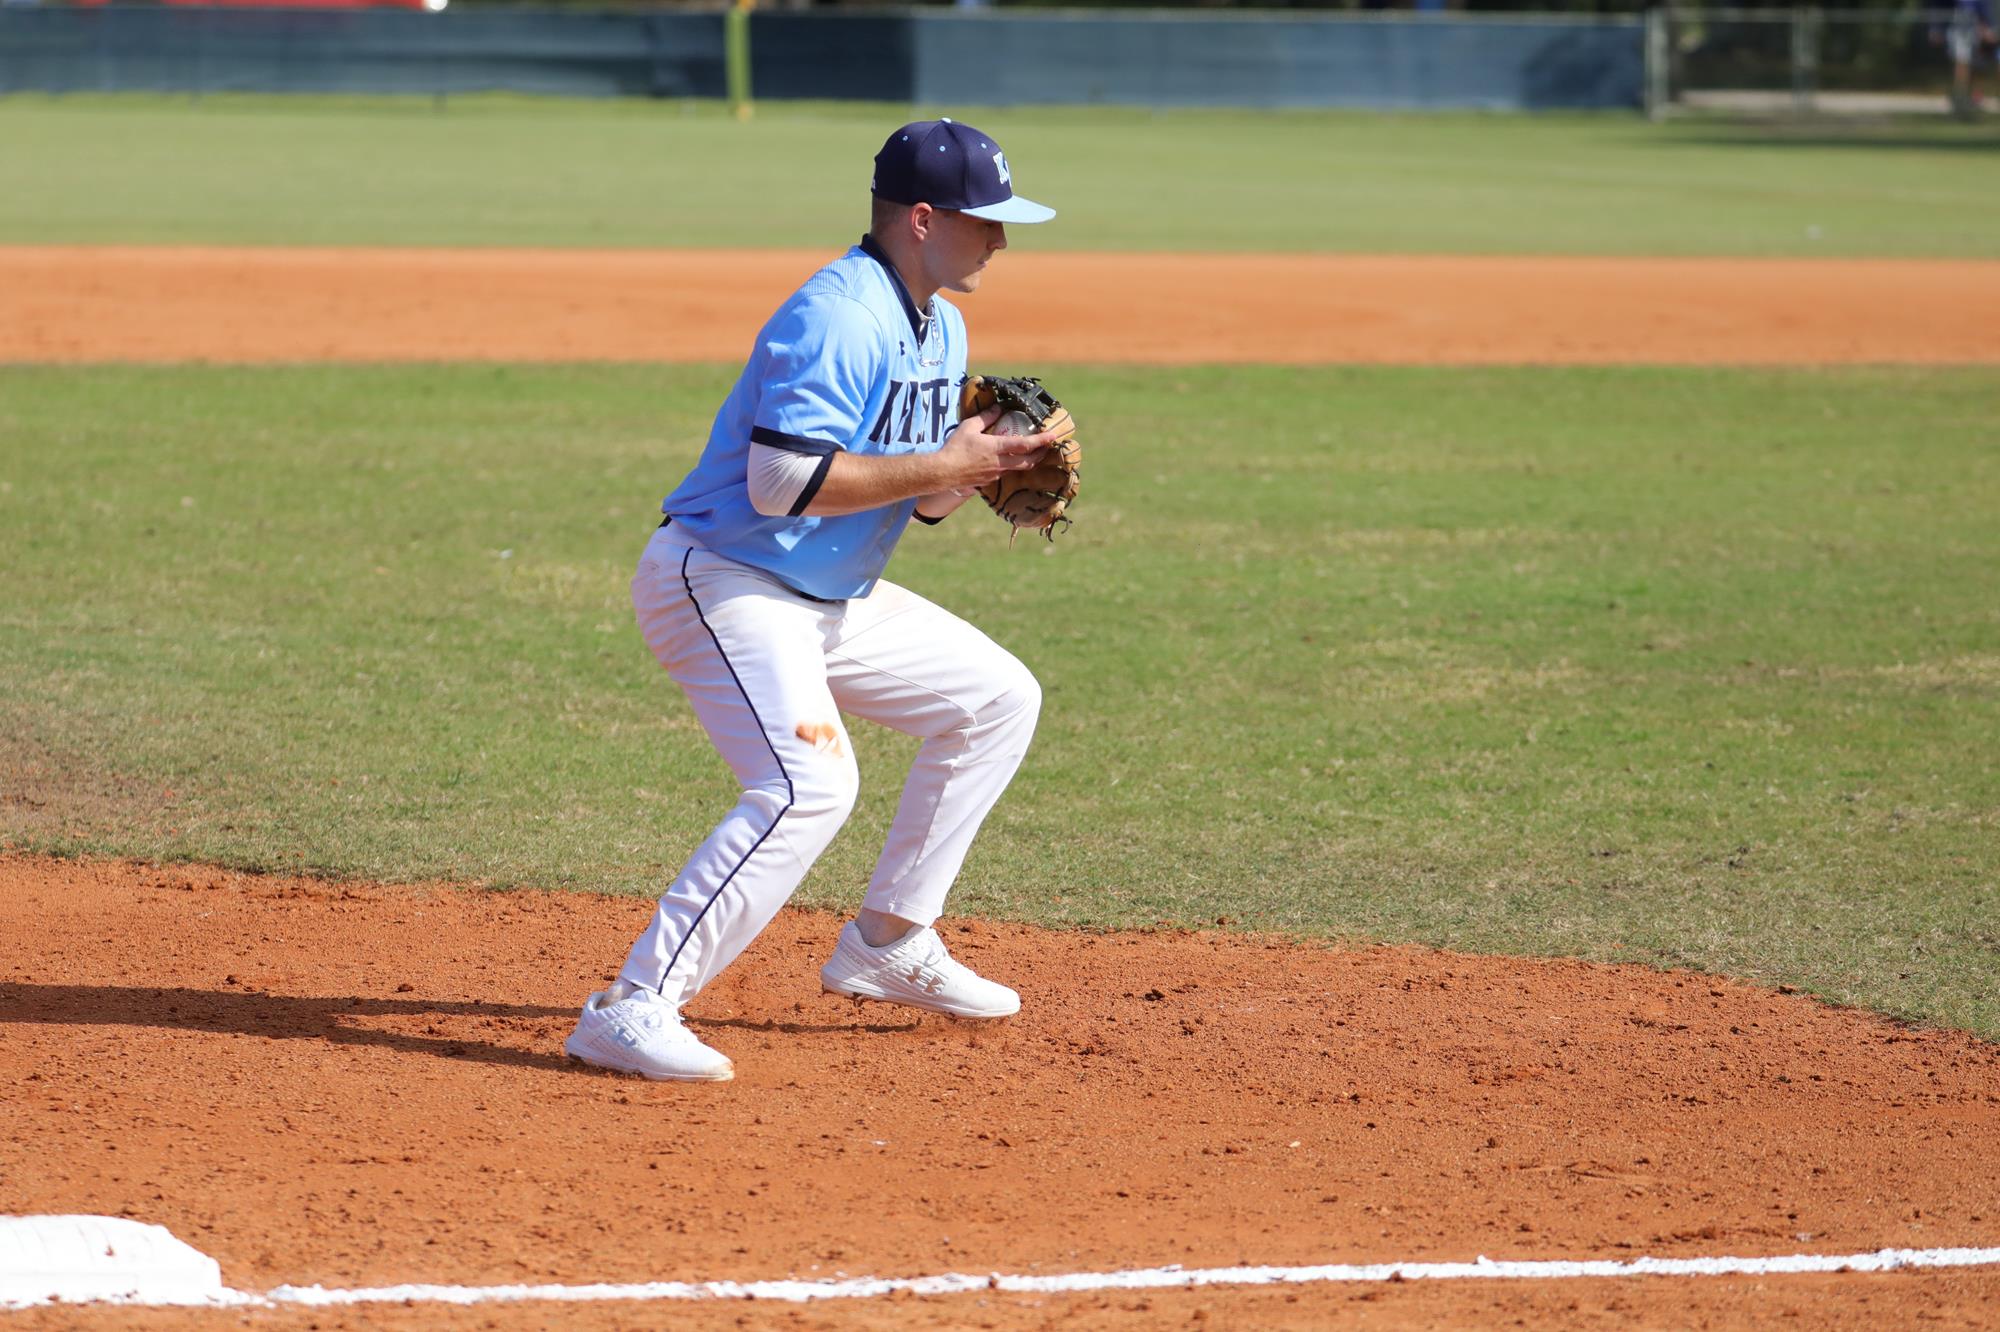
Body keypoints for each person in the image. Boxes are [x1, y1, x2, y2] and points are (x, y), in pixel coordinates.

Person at [563, 119, 1064, 1082]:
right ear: (922, 218)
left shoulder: (941, 319)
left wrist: (987, 462)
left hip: (826, 596)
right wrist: (946, 459)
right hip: (724, 580)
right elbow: (779, 483)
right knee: (808, 785)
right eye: (983, 219)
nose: (999, 238)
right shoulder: (837, 312)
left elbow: (917, 497)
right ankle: (631, 1008)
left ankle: (887, 941)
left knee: (997, 698)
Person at [1934, 0, 1997, 116]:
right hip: (1959, 24)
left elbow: (1983, 7)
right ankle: (1960, 97)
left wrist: (1987, 26)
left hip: (1976, 25)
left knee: (1977, 63)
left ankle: (1973, 96)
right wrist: (1936, 27)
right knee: (1961, 62)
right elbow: (1941, 5)